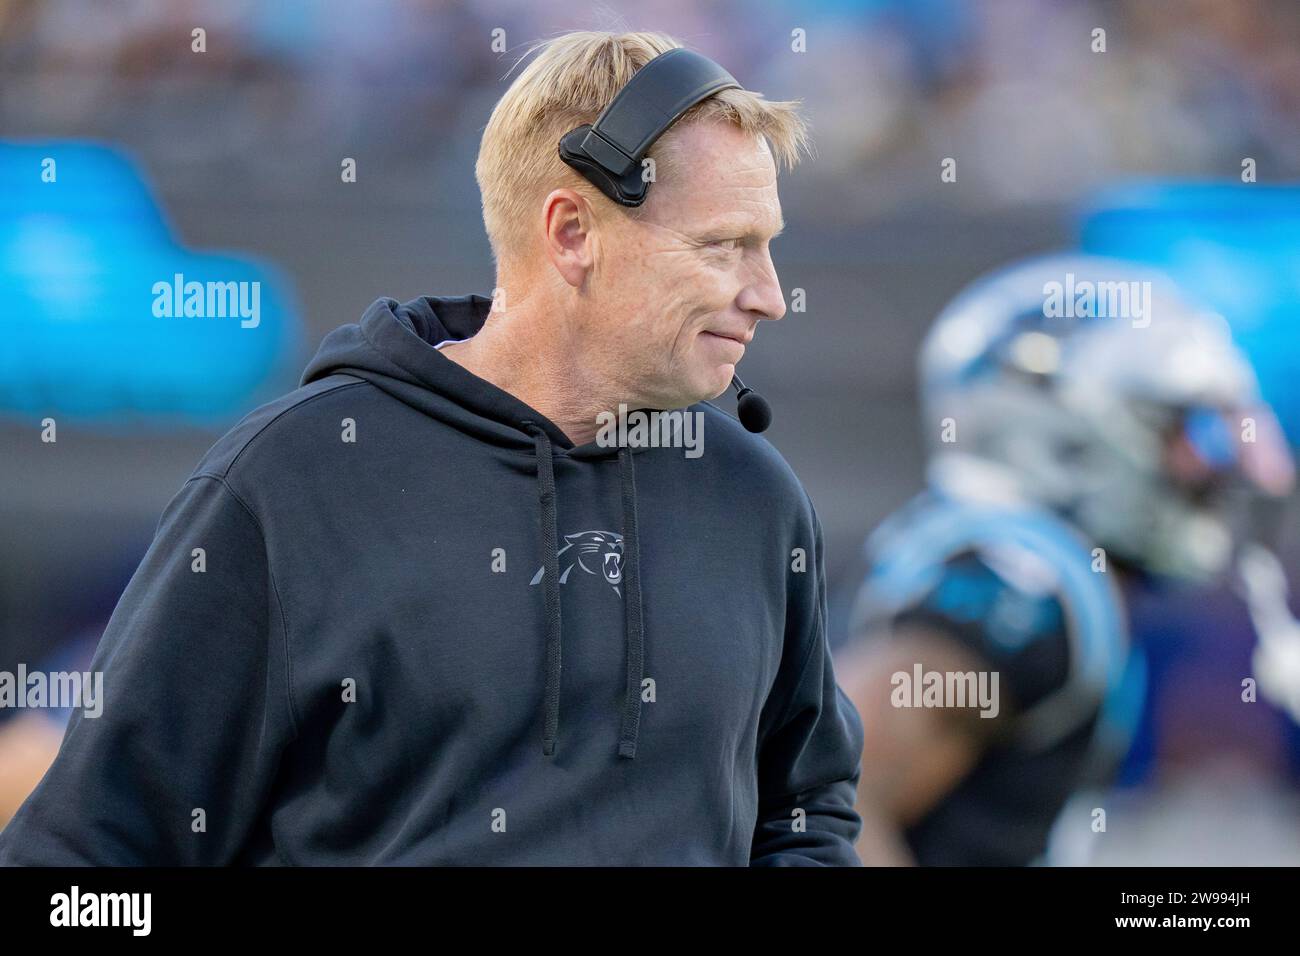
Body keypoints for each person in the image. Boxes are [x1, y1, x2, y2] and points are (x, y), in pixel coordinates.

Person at [0, 31, 862, 866]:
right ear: (571, 232)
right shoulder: (292, 482)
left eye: (768, 247)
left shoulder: (756, 496)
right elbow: (89, 854)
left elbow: (805, 808)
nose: (770, 296)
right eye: (724, 246)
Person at [834, 253, 1294, 866]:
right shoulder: (1028, 588)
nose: (1204, 465)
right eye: (1179, 430)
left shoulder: (1038, 568)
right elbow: (826, 796)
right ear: (1066, 427)